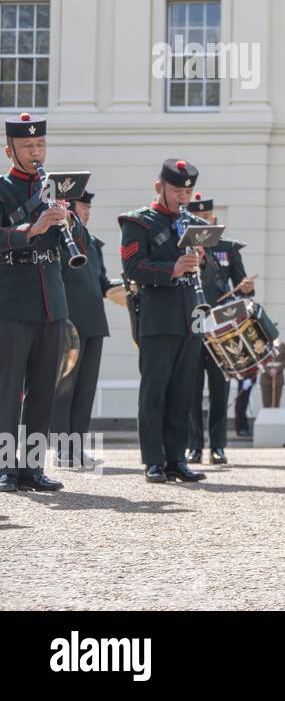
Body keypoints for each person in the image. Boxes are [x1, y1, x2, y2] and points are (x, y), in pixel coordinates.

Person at [119, 159, 208, 483]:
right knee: (154, 392)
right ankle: (153, 460)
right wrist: (172, 268)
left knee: (183, 392)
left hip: (191, 317)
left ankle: (176, 459)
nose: (183, 197)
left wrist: (202, 259)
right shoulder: (139, 222)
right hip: (158, 317)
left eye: (187, 191)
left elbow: (206, 272)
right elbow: (132, 267)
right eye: (176, 191)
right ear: (160, 188)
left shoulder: (194, 224)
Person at [0, 112, 69, 493]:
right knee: (8, 389)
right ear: (10, 150)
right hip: (11, 301)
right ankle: (5, 467)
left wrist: (68, 225)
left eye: (39, 144)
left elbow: (75, 251)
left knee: (44, 389)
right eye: (27, 146)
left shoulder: (55, 190)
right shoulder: (3, 189)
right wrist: (33, 228)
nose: (35, 151)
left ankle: (32, 468)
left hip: (51, 302)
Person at [184, 193, 252, 465]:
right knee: (191, 388)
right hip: (192, 323)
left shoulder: (228, 248)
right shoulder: (182, 248)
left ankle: (218, 446)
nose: (202, 222)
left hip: (220, 325)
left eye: (205, 218)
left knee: (219, 388)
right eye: (196, 219)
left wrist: (248, 287)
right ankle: (194, 446)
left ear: (213, 220)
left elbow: (241, 285)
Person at [51, 188, 112, 469]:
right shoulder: (61, 239)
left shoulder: (93, 244)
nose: (86, 212)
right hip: (69, 323)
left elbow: (102, 283)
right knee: (64, 390)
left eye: (88, 208)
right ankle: (62, 448)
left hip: (94, 322)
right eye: (82, 207)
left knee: (85, 390)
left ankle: (76, 447)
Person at [259, 339, 285, 409]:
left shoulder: (281, 345)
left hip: (278, 379)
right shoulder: (261, 346)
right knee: (266, 404)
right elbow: (259, 362)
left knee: (276, 404)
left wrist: (277, 369)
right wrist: (268, 371)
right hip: (265, 380)